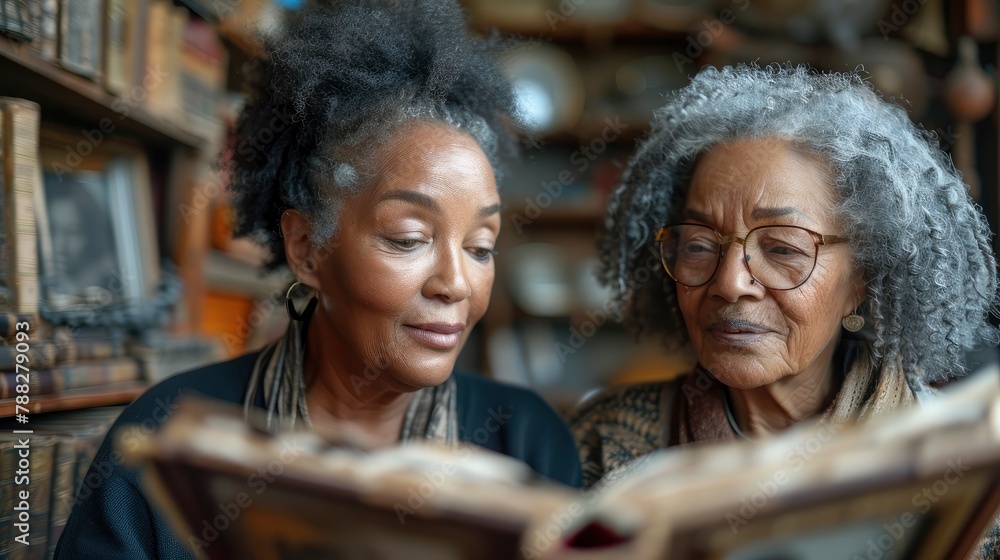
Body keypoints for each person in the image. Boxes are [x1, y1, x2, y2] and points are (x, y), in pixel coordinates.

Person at [55, 1, 581, 558]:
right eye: (408, 238)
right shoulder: (169, 442)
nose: (455, 283)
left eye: (480, 247)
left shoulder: (527, 442)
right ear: (307, 249)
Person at [570, 64, 999, 492]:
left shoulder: (963, 465)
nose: (730, 282)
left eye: (782, 249)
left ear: (860, 280)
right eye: (699, 246)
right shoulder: (600, 446)